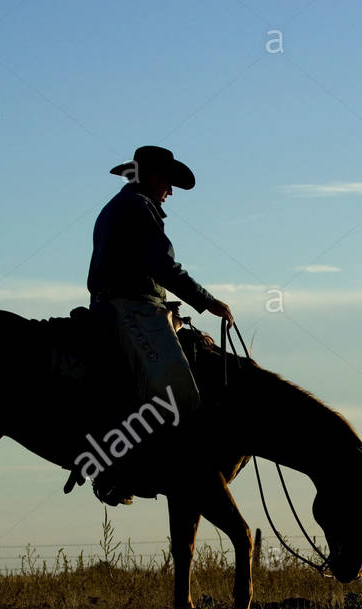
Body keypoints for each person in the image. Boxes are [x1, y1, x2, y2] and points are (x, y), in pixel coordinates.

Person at [83, 145, 234, 505]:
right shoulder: (138, 208)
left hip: (120, 302)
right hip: (131, 307)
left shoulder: (121, 207)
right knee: (179, 391)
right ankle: (122, 468)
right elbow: (162, 266)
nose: (170, 192)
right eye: (168, 183)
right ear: (152, 178)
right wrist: (207, 301)